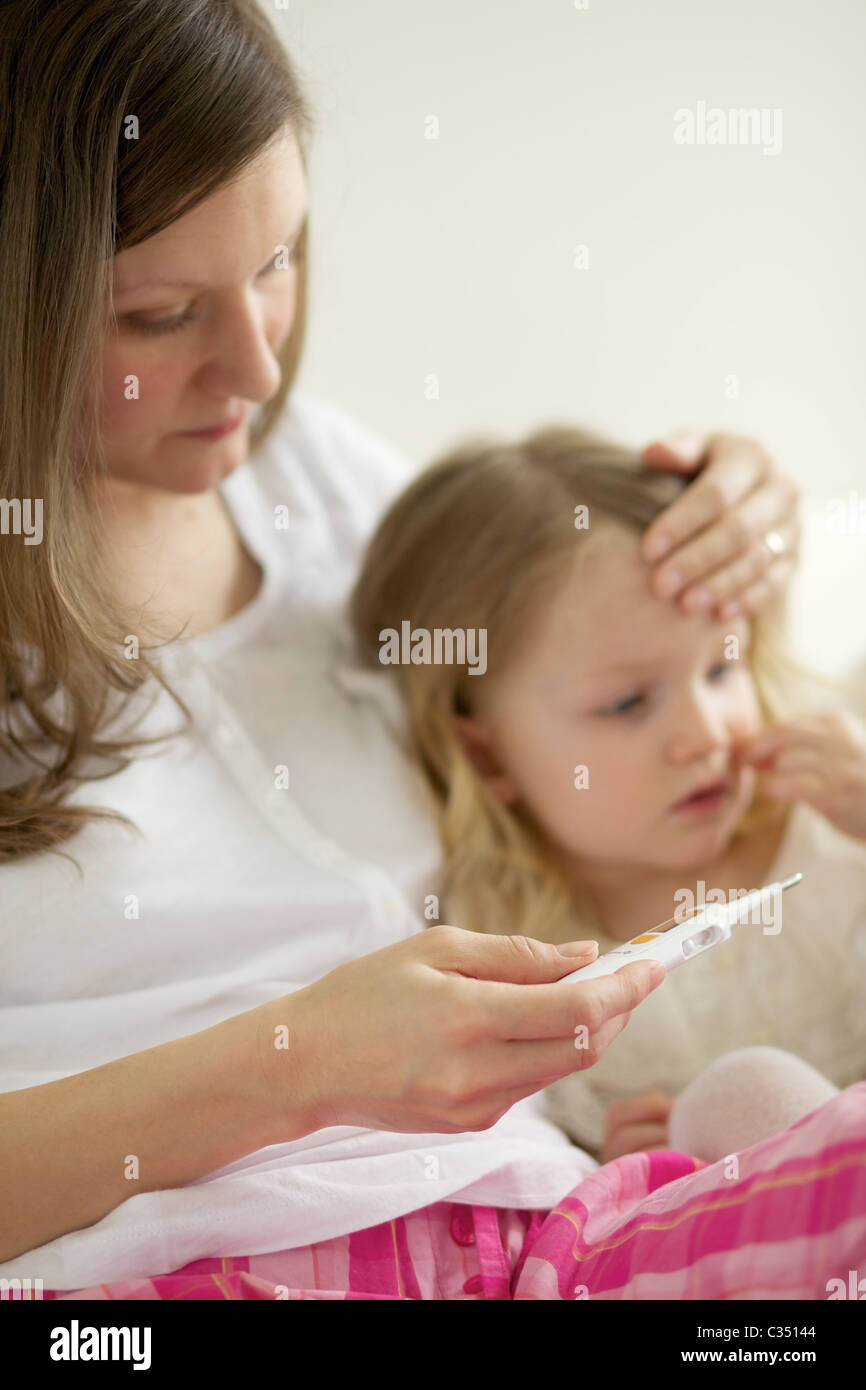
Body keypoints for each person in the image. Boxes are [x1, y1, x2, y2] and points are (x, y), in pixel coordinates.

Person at [2, 0, 862, 1301]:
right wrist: (297, 1058)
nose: (252, 367)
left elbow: (569, 657)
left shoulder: (322, 483)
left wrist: (722, 523)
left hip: (544, 1220)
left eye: (278, 260)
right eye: (161, 315)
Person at [348, 423, 866, 1166]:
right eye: (627, 704)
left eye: (723, 669)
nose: (706, 733)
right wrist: (623, 1158)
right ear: (484, 751)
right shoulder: (528, 967)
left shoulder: (836, 818)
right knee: (745, 1101)